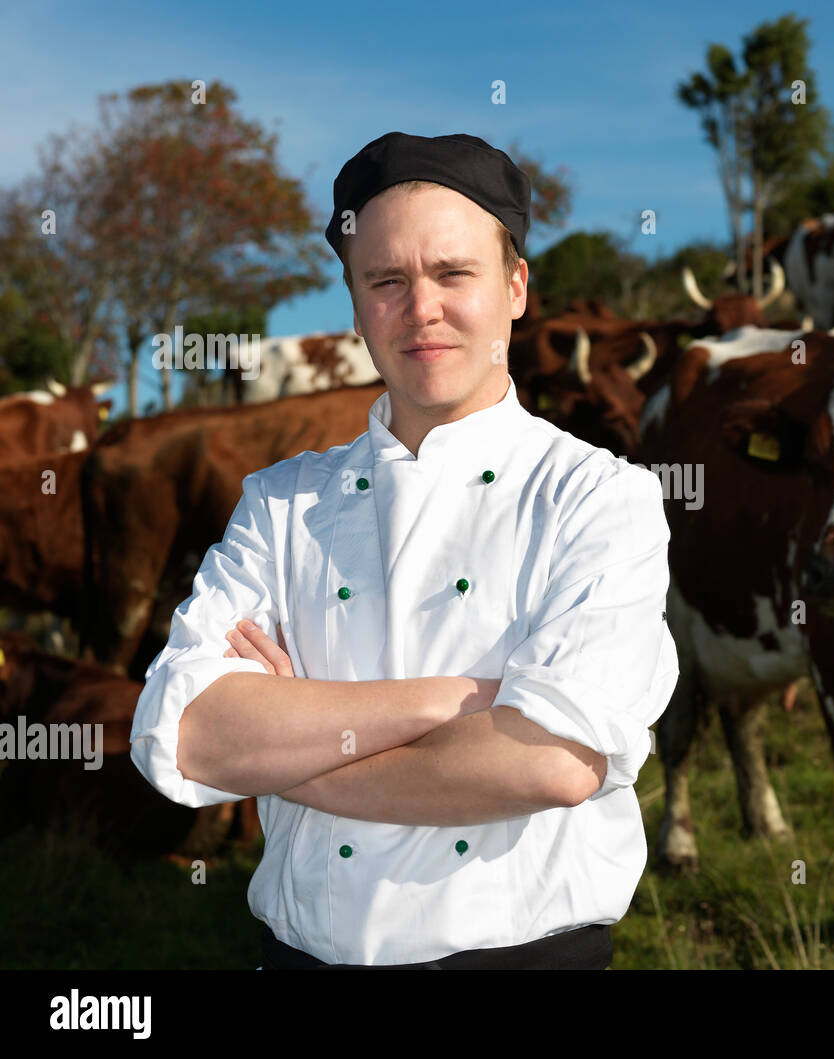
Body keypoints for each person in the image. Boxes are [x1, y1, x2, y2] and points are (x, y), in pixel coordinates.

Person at [130, 132, 678, 970]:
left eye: (454, 274)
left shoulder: (600, 497)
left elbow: (554, 760)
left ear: (515, 288)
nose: (421, 308)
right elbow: (191, 735)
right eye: (386, 280)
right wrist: (460, 702)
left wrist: (290, 759)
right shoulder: (281, 502)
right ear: (355, 307)